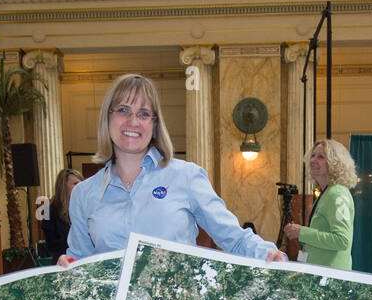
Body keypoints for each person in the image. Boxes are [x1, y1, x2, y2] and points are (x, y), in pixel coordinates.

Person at [59, 74, 286, 264]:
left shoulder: (186, 176)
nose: (133, 121)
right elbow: (80, 264)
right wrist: (67, 266)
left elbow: (233, 238)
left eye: (144, 113)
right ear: (107, 118)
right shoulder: (83, 194)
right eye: (123, 110)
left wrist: (269, 255)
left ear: (154, 124)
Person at [282, 139, 356, 269]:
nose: (313, 161)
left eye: (321, 157)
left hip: (331, 278)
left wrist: (302, 232)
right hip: (321, 275)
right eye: (313, 156)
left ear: (335, 164)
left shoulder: (337, 194)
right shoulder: (326, 193)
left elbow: (342, 240)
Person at [43, 167, 81, 260]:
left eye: (81, 183)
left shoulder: (84, 208)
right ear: (63, 186)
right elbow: (51, 245)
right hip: (63, 261)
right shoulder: (49, 211)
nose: (80, 186)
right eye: (75, 184)